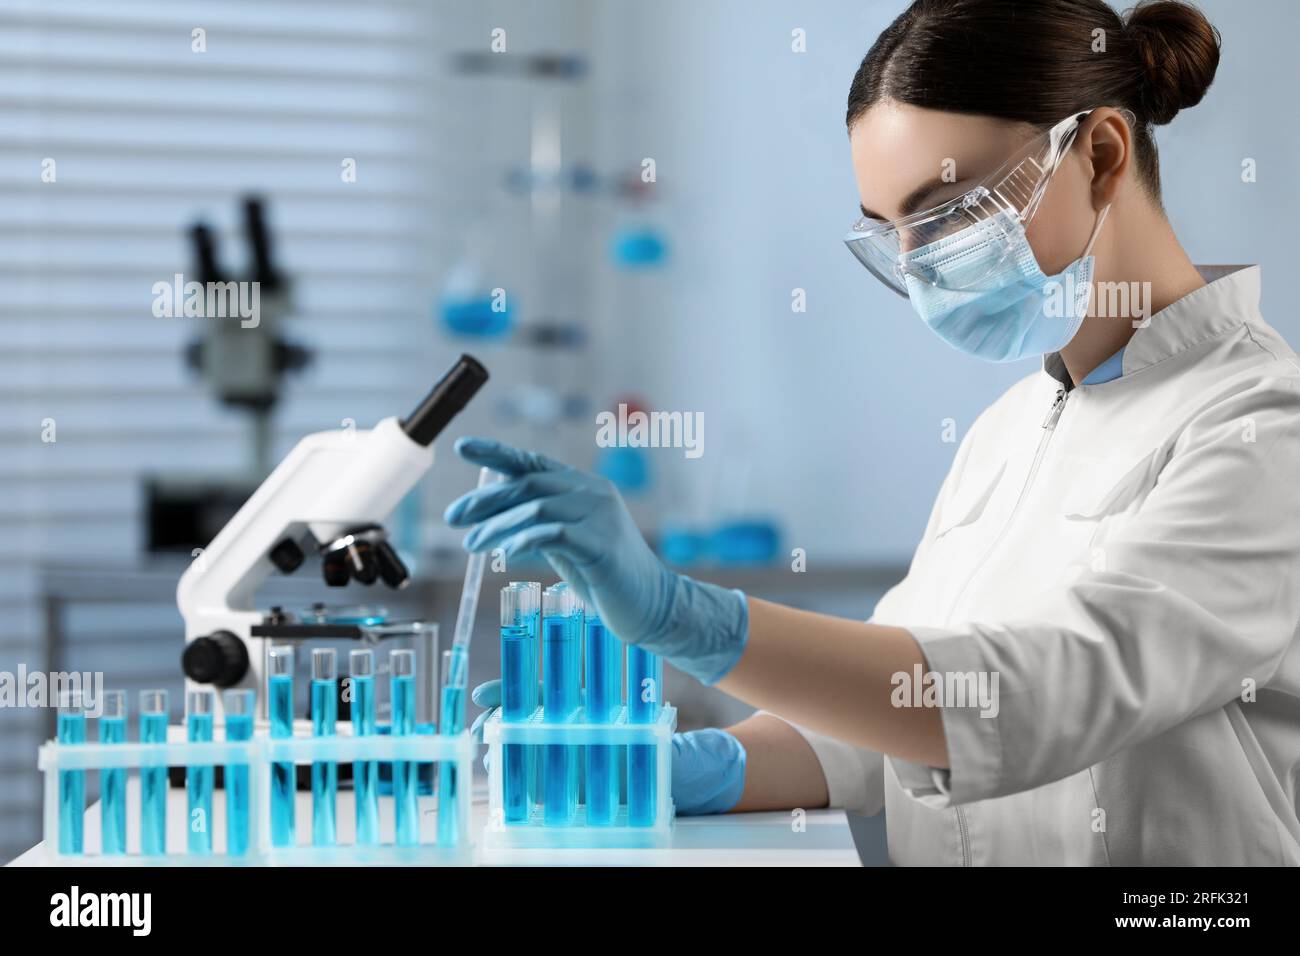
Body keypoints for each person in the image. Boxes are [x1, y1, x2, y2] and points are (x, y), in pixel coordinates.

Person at [454, 0, 1300, 865]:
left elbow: (1039, 692)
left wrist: (692, 621)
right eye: (893, 229)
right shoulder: (1009, 429)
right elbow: (882, 725)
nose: (917, 264)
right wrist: (674, 768)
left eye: (945, 209)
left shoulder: (1262, 427)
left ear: (1102, 154)